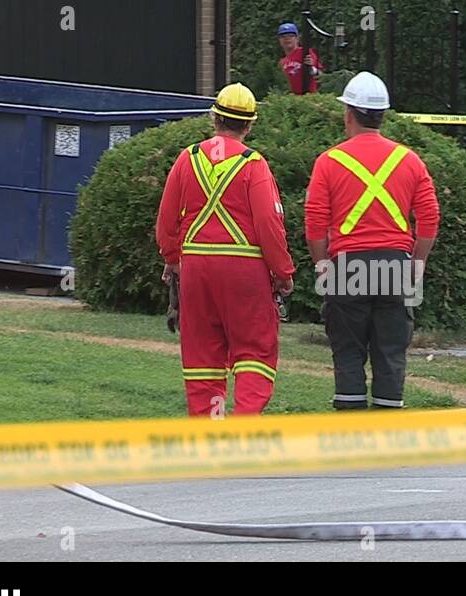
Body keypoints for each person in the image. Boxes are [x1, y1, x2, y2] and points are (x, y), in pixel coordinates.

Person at [304, 72, 441, 411]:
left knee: (348, 349)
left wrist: (323, 265)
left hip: (347, 265)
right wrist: (417, 263)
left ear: (348, 113)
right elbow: (429, 218)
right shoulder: (409, 160)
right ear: (383, 116)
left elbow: (315, 222)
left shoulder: (329, 161)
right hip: (395, 265)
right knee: (391, 350)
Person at [156, 83, 295, 417]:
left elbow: (166, 220)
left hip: (196, 268)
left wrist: (172, 260)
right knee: (254, 349)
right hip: (245, 269)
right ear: (249, 125)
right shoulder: (254, 164)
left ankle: (209, 426)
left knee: (203, 352)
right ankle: (243, 423)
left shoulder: (187, 158)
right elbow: (268, 224)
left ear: (214, 118)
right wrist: (282, 273)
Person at [277, 22, 321, 95]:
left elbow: (319, 75)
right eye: (283, 36)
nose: (287, 39)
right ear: (279, 40)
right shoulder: (282, 62)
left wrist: (311, 68)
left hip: (308, 97)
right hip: (290, 100)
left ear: (297, 38)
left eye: (291, 36)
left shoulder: (305, 52)